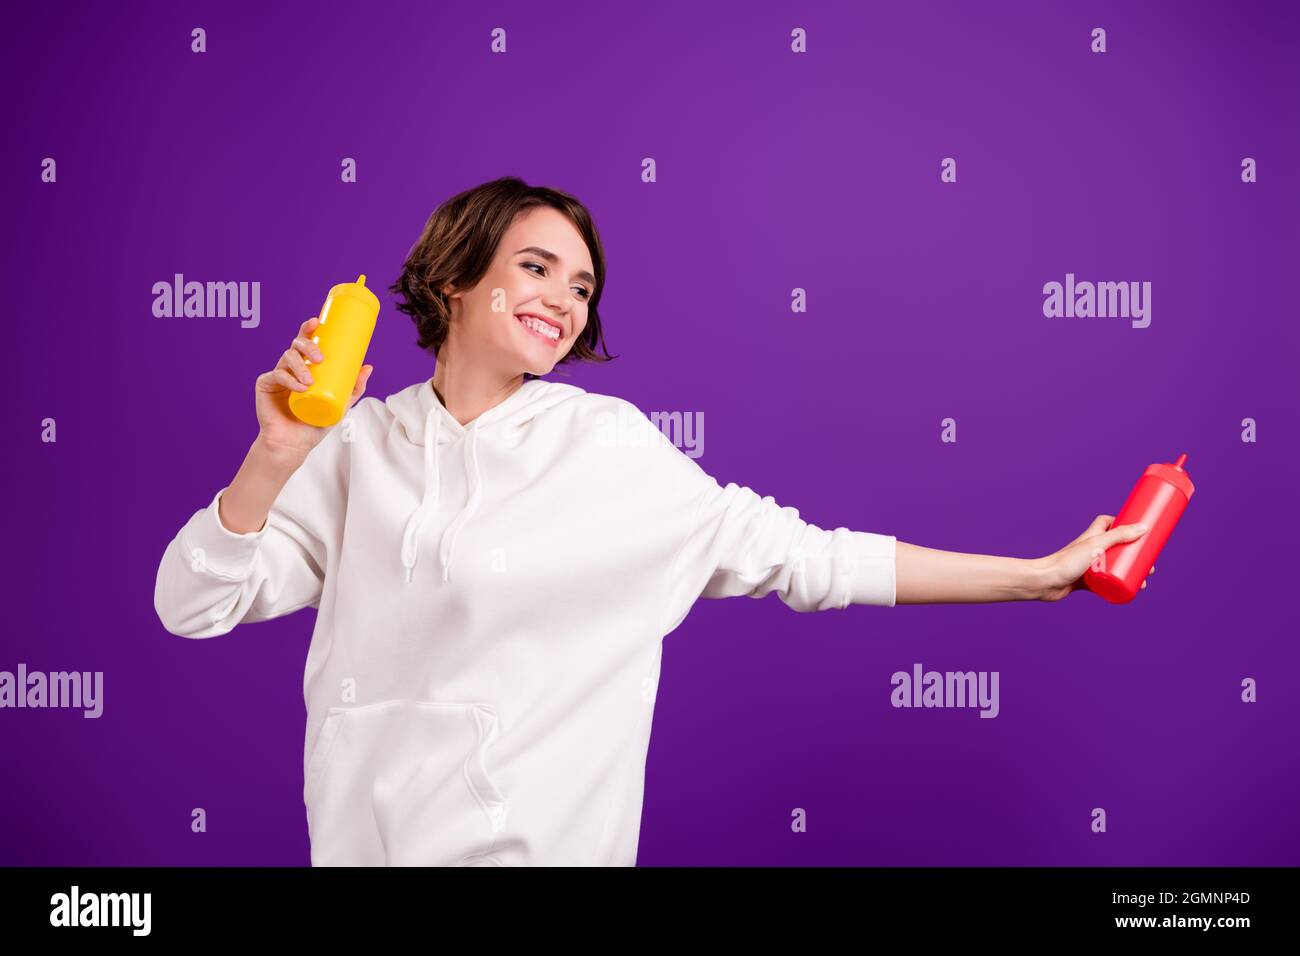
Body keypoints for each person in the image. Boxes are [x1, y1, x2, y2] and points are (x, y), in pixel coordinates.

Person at [153, 176, 1153, 866]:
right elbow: (192, 605)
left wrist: (1032, 572)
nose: (565, 300)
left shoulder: (607, 448)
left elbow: (804, 556)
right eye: (537, 267)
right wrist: (278, 453)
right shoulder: (358, 446)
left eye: (581, 285)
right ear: (455, 275)